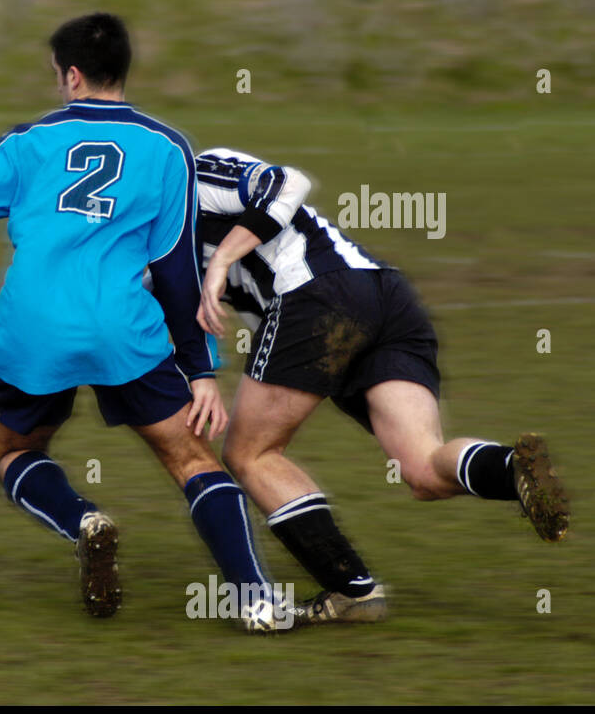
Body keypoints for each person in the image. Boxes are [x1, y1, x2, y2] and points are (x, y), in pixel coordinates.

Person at [0, 15, 284, 631]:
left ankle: (81, 519)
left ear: (72, 74)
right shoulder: (169, 148)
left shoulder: (27, 141)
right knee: (194, 460)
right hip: (124, 331)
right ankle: (257, 601)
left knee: (11, 450)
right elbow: (174, 271)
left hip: (34, 327)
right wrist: (198, 368)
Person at [191, 146, 570, 625]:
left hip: (320, 293)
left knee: (250, 453)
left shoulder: (195, 170)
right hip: (383, 298)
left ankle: (353, 590)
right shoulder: (143, 241)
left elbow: (288, 183)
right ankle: (513, 467)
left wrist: (223, 259)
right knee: (424, 471)